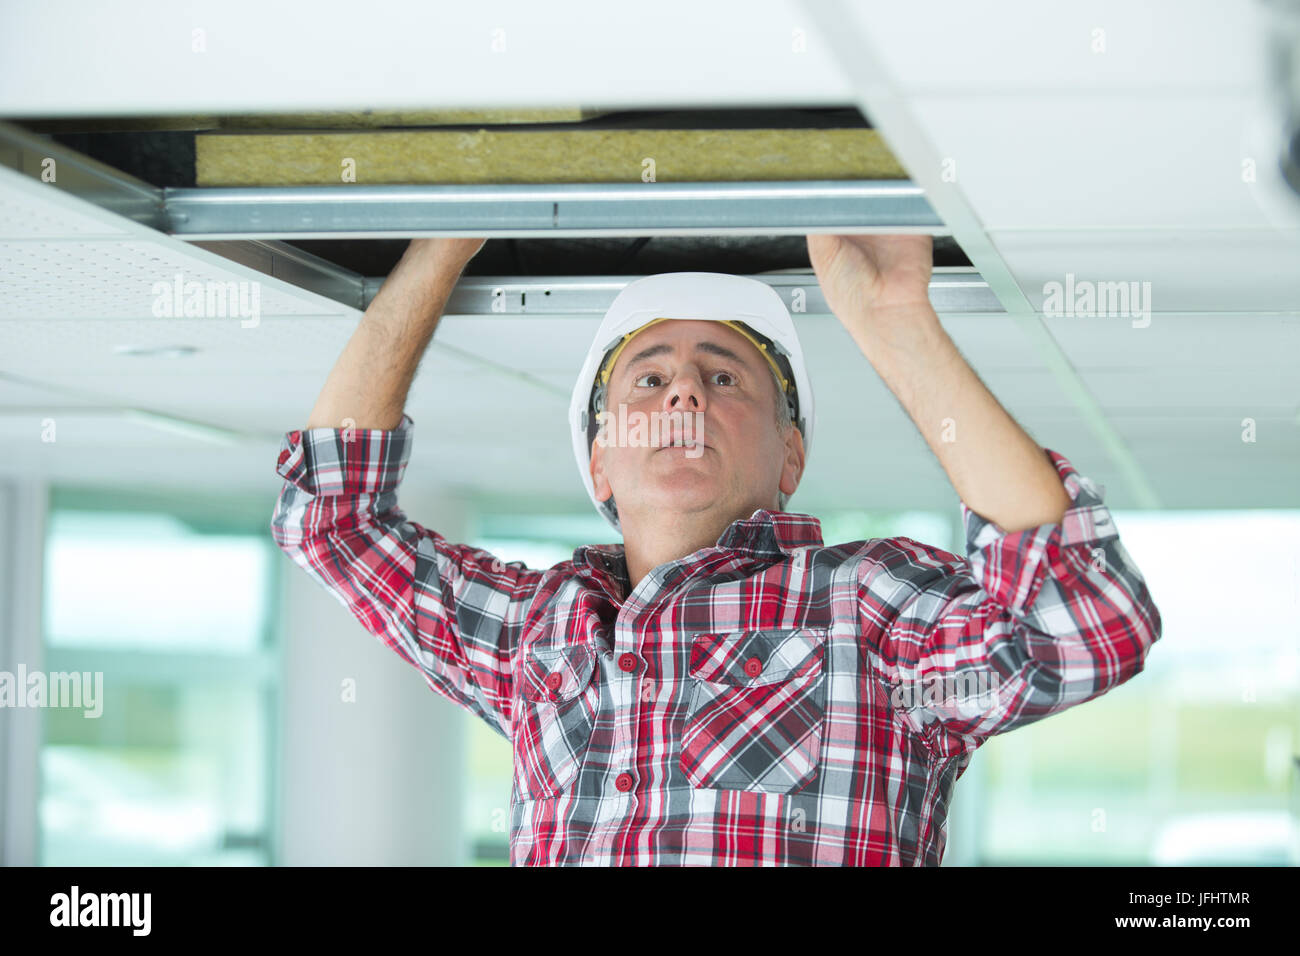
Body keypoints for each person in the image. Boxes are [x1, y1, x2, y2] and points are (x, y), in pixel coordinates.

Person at [270, 234, 1162, 865]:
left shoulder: (870, 607)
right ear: (600, 462)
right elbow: (332, 518)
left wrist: (897, 324)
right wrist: (438, 252)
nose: (684, 392)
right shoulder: (531, 639)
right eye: (649, 378)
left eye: (725, 376)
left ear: (792, 456)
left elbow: (1079, 632)